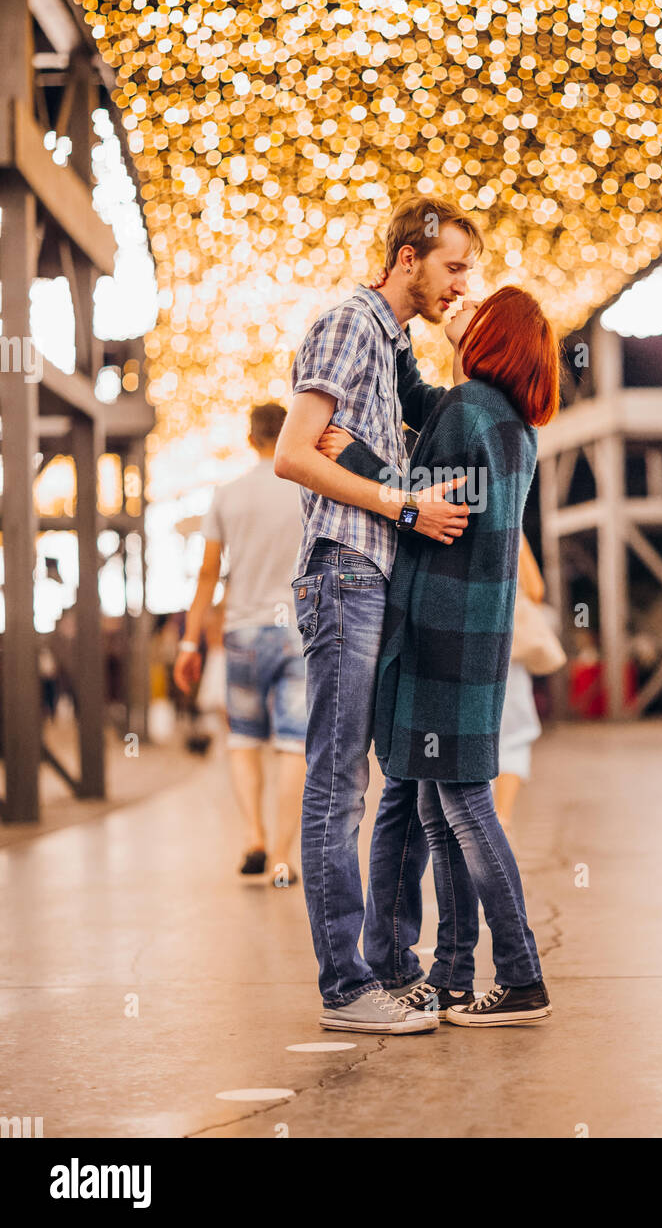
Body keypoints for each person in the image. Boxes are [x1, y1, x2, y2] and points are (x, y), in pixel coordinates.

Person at [321, 285, 559, 1027]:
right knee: (438, 802)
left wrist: (351, 452)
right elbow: (425, 403)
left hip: (441, 631)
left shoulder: (470, 412)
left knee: (461, 805)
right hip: (475, 634)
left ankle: (520, 976)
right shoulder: (506, 421)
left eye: (475, 311)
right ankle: (456, 974)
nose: (461, 307)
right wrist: (397, 339)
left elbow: (431, 503)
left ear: (494, 337)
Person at [274, 195, 482, 1035]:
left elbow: (372, 448)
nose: (463, 284)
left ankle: (379, 971)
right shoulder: (352, 321)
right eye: (454, 266)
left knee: (374, 780)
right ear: (407, 258)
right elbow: (293, 453)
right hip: (345, 571)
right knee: (337, 785)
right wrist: (403, 507)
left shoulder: (390, 344)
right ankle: (345, 989)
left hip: (370, 577)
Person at [174, 403, 307, 884]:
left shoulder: (227, 495)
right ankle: (279, 856)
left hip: (243, 630)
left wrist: (190, 645)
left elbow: (208, 576)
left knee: (244, 738)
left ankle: (253, 834)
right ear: (289, 430)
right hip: (298, 628)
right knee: (294, 744)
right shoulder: (308, 485)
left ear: (251, 439)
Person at [495, 534, 545, 835]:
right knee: (513, 736)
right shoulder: (511, 526)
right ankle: (501, 818)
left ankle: (471, 822)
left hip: (460, 642)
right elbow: (536, 590)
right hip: (507, 645)